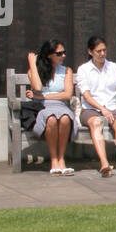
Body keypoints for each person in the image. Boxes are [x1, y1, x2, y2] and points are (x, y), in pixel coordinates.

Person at [75, 35, 116, 177]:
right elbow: (87, 95)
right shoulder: (84, 69)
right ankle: (104, 163)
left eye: (104, 50)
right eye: (98, 51)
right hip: (91, 108)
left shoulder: (114, 67)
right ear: (90, 52)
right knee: (97, 122)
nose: (102, 54)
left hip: (113, 106)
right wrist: (102, 109)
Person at [26, 40, 78, 174]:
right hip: (43, 108)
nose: (63, 56)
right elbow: (37, 87)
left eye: (64, 53)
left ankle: (61, 159)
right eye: (59, 53)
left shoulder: (67, 70)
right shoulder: (35, 71)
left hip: (61, 105)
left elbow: (67, 95)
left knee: (66, 118)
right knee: (51, 119)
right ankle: (54, 160)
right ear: (49, 55)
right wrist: (32, 63)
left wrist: (42, 96)